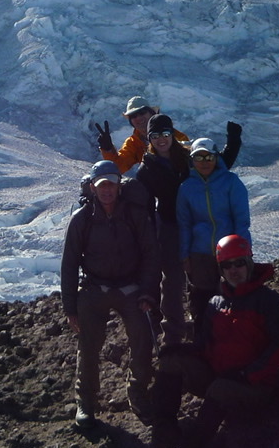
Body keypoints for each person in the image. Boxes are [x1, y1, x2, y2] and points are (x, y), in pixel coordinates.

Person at [142, 235, 279, 448]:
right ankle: (161, 442)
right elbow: (205, 346)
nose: (234, 270)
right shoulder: (216, 303)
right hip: (220, 378)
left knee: (219, 388)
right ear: (220, 269)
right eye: (227, 265)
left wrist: (249, 374)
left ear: (249, 263)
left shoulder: (268, 301)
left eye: (239, 263)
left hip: (255, 386)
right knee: (171, 362)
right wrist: (183, 351)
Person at [61, 160, 160, 429]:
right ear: (93, 187)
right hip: (94, 287)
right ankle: (86, 403)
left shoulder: (135, 215)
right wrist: (70, 308)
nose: (107, 190)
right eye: (101, 185)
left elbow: (151, 254)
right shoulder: (81, 220)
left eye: (111, 185)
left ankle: (137, 393)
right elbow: (69, 264)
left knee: (141, 340)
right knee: (89, 344)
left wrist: (148, 293)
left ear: (119, 186)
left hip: (131, 287)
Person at [176, 138, 250, 331]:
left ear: (216, 158)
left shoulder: (231, 182)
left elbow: (241, 220)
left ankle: (235, 342)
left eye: (209, 156)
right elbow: (184, 224)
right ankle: (204, 344)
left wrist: (244, 252)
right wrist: (185, 255)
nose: (204, 161)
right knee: (201, 301)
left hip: (230, 253)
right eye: (199, 157)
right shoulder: (186, 187)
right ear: (192, 160)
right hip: (199, 254)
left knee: (233, 298)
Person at [135, 113, 193, 342]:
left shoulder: (188, 159)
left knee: (202, 276)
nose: (161, 139)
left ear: (172, 134)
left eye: (165, 134)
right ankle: (173, 333)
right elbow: (147, 209)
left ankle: (208, 326)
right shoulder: (146, 169)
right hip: (168, 226)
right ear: (149, 139)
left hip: (194, 224)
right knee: (172, 280)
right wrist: (150, 240)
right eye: (156, 135)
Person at [93, 96, 243, 174]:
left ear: (152, 113)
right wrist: (107, 149)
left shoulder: (178, 138)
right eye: (133, 116)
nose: (138, 118)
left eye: (141, 113)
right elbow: (119, 167)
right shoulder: (133, 143)